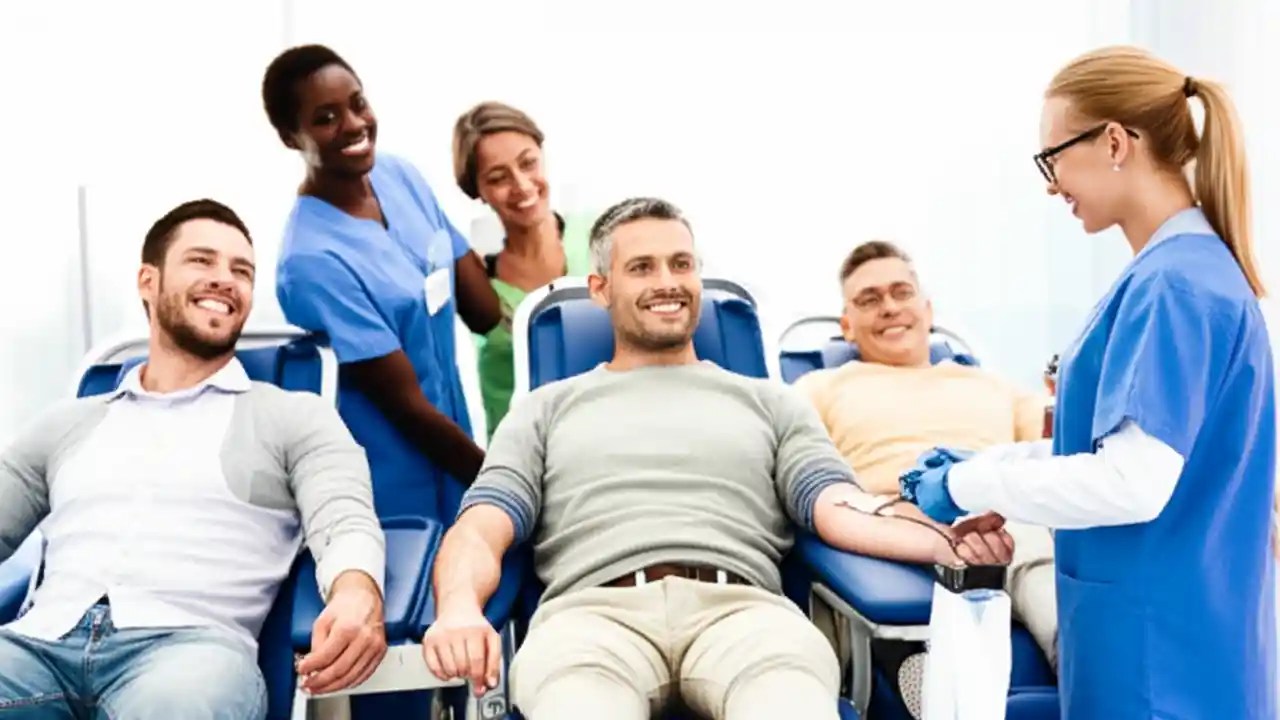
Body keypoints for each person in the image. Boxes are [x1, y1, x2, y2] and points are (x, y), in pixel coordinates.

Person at [418, 197, 1015, 720]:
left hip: (746, 616)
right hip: (589, 621)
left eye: (681, 264)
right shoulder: (545, 408)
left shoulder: (770, 402)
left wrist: (944, 539)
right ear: (600, 288)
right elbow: (481, 528)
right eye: (642, 267)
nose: (667, 281)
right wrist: (459, 610)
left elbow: (843, 505)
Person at [905, 46, 1277, 719]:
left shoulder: (1173, 286)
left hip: (1159, 662)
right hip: (1171, 640)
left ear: (1114, 142)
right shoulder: (1183, 274)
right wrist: (996, 466)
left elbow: (1131, 483)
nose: (1050, 184)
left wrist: (969, 484)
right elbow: (1128, 456)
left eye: (1053, 158)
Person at [0, 200, 387, 719]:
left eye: (241, 270)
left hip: (186, 657)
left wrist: (357, 592)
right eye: (202, 261)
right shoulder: (68, 424)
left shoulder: (293, 418)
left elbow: (346, 519)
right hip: (36, 649)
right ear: (148, 281)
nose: (225, 279)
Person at [793, 240, 1058, 696]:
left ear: (928, 309)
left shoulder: (993, 386)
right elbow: (799, 472)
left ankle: (1086, 668)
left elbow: (1062, 447)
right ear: (846, 326)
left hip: (998, 510)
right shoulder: (819, 388)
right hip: (895, 517)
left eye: (901, 292)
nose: (890, 308)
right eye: (869, 300)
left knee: (1037, 538)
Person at [264, 45, 501, 523]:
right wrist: (502, 486)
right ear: (292, 137)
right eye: (326, 117)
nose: (353, 124)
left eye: (358, 103)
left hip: (461, 458)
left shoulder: (399, 176)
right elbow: (408, 410)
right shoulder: (312, 261)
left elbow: (484, 312)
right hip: (397, 493)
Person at [452, 101, 594, 436]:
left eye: (528, 163)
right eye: (498, 178)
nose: (522, 185)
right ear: (478, 191)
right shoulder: (475, 282)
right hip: (525, 460)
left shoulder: (601, 236)